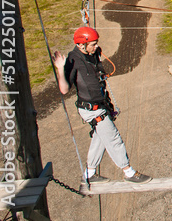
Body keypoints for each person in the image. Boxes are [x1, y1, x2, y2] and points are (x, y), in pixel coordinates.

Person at [53, 26, 152, 186]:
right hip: (91, 109)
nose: (96, 46)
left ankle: (89, 173)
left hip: (100, 105)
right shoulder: (73, 60)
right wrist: (60, 69)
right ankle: (128, 172)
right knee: (113, 138)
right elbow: (64, 89)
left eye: (96, 43)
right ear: (81, 45)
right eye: (93, 44)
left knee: (100, 137)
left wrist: (109, 106)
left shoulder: (92, 54)